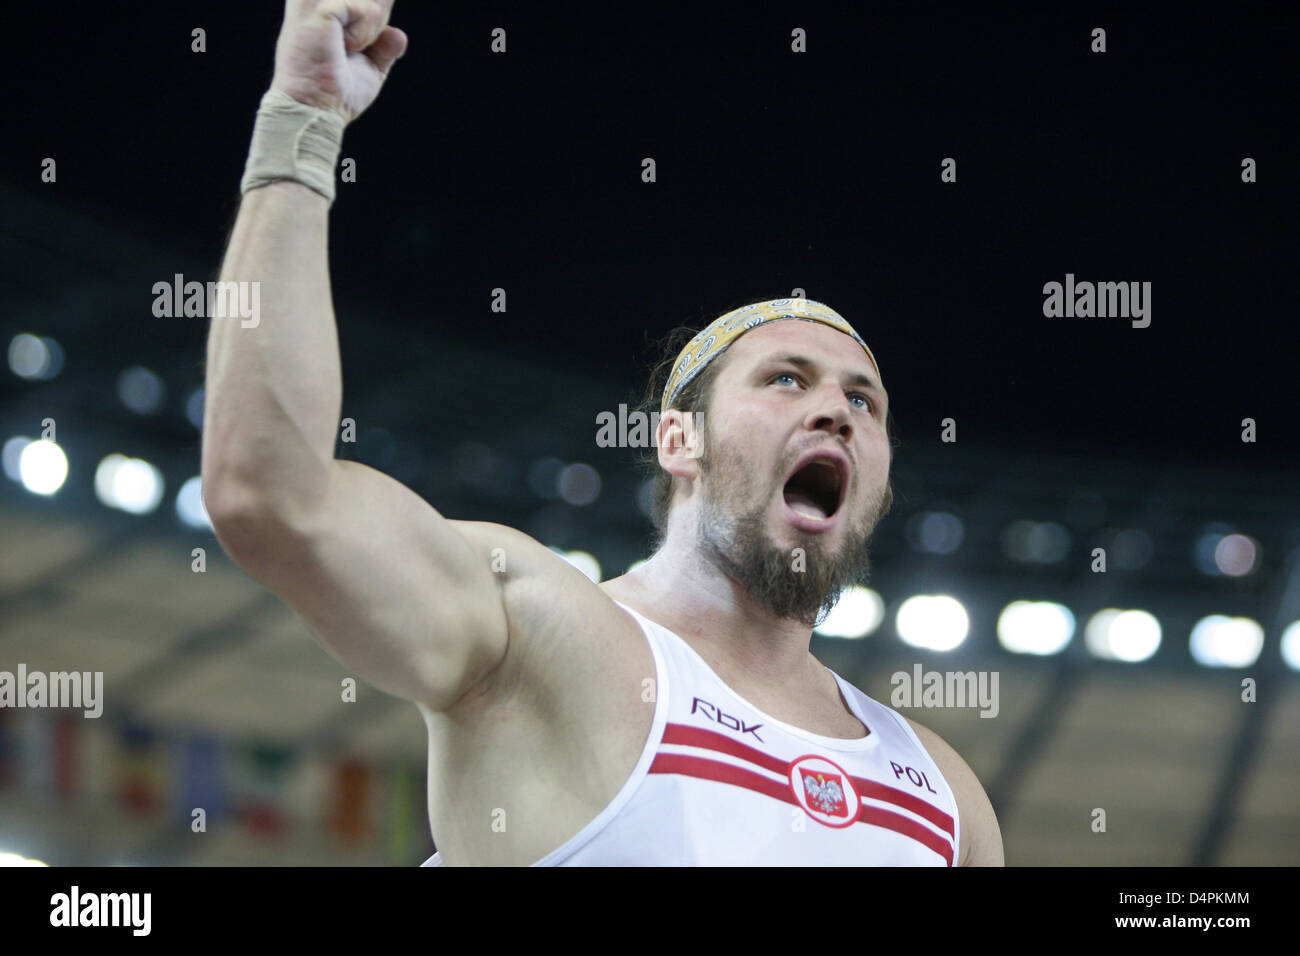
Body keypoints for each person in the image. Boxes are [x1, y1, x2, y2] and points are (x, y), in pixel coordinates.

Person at [202, 0, 1004, 866]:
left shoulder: (943, 796)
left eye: (865, 402)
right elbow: (272, 494)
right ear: (677, 442)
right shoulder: (539, 630)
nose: (835, 413)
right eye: (785, 379)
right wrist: (303, 119)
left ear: (880, 485)